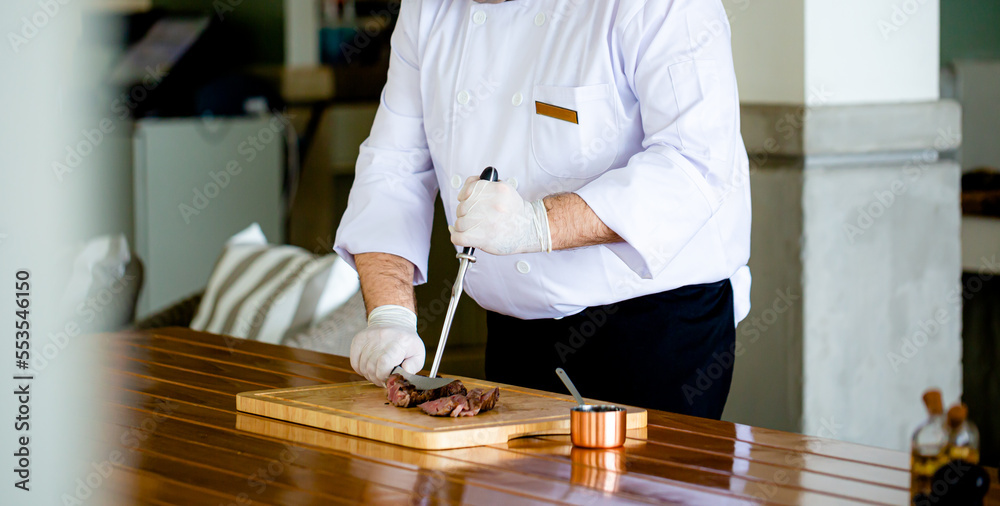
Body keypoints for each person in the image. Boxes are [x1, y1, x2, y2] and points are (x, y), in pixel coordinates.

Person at [334, 0, 751, 419]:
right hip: (512, 333)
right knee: (512, 485)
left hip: (655, 329)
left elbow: (694, 163)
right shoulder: (428, 7)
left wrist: (537, 225)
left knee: (643, 485)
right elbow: (395, 164)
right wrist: (390, 313)